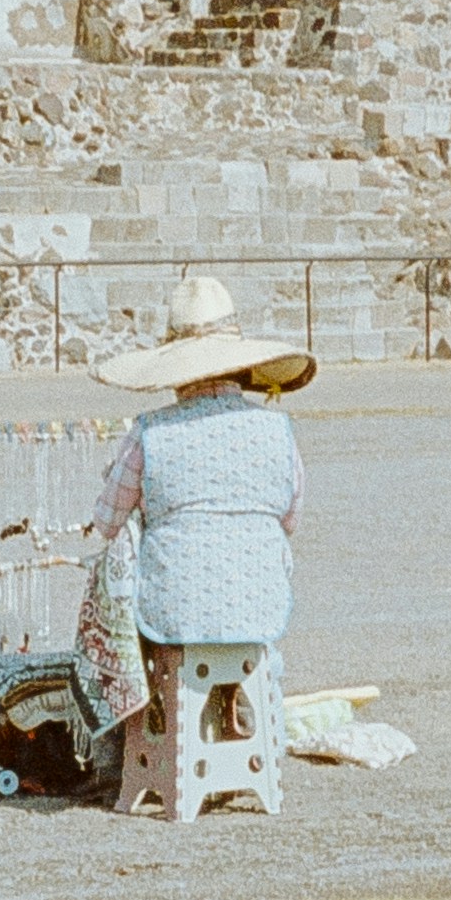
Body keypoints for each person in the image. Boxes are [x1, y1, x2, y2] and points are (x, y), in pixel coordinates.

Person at [88, 279, 316, 767]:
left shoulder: (151, 432)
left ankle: (128, 739)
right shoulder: (277, 431)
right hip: (257, 604)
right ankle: (244, 728)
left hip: (174, 611)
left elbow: (107, 521)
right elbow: (290, 517)